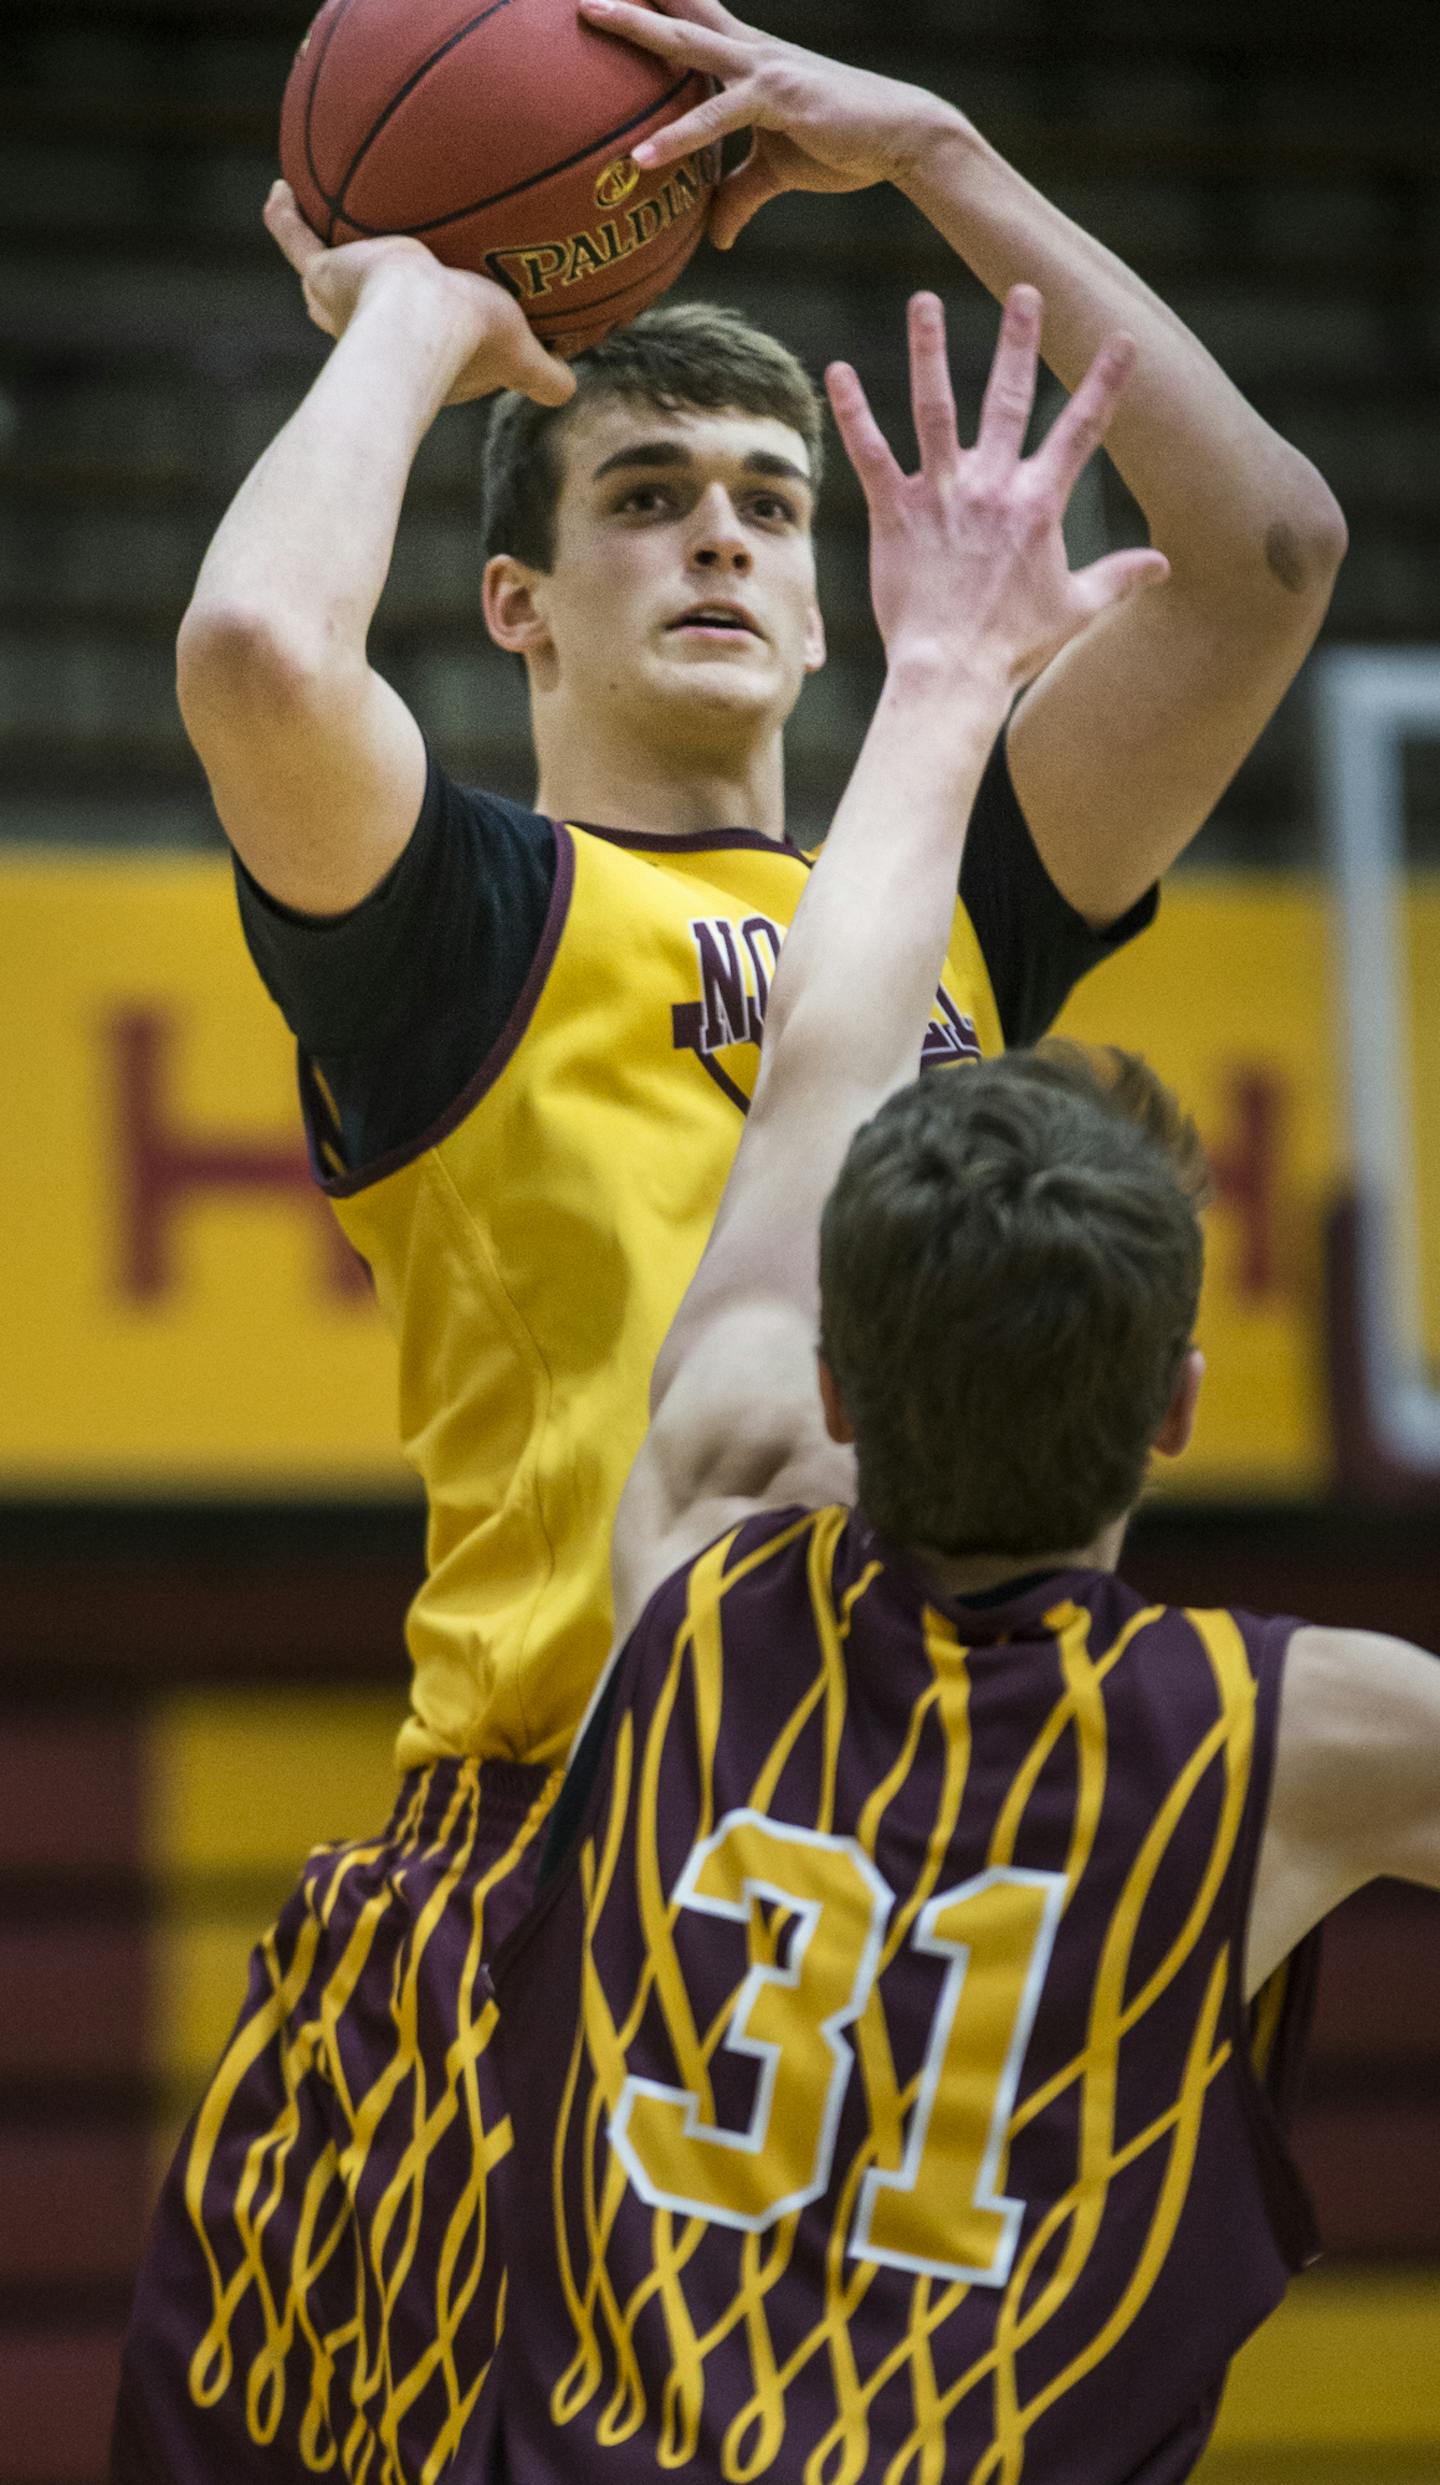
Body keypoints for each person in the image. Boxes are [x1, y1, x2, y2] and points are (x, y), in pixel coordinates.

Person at [113, 0, 1344, 2471]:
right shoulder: (461, 910)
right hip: (554, 1868)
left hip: (926, 1876)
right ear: (517, 607)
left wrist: (950, 156)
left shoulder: (958, 876)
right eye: (649, 493)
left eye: (772, 504)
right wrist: (430, 328)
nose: (722, 537)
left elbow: (1272, 550)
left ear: (830, 596)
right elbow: (258, 647)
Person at [487, 284, 1438, 2485]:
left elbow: (819, 1060)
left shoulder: (700, 1567)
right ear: (1179, 1400)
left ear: (827, 1372)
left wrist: (931, 682)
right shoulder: (1296, 1733)